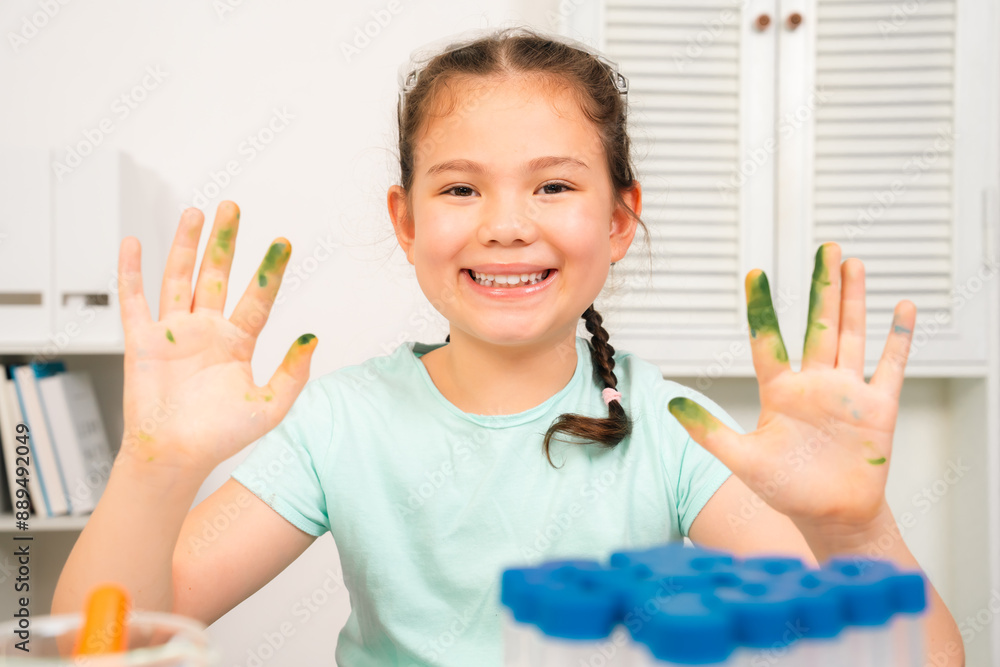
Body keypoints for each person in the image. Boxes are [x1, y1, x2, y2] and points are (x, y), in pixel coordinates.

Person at [53, 25, 965, 666]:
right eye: (460, 190)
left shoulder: (677, 430)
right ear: (404, 223)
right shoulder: (338, 421)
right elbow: (103, 648)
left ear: (619, 218)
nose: (506, 226)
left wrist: (853, 529)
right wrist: (153, 463)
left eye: (554, 185)